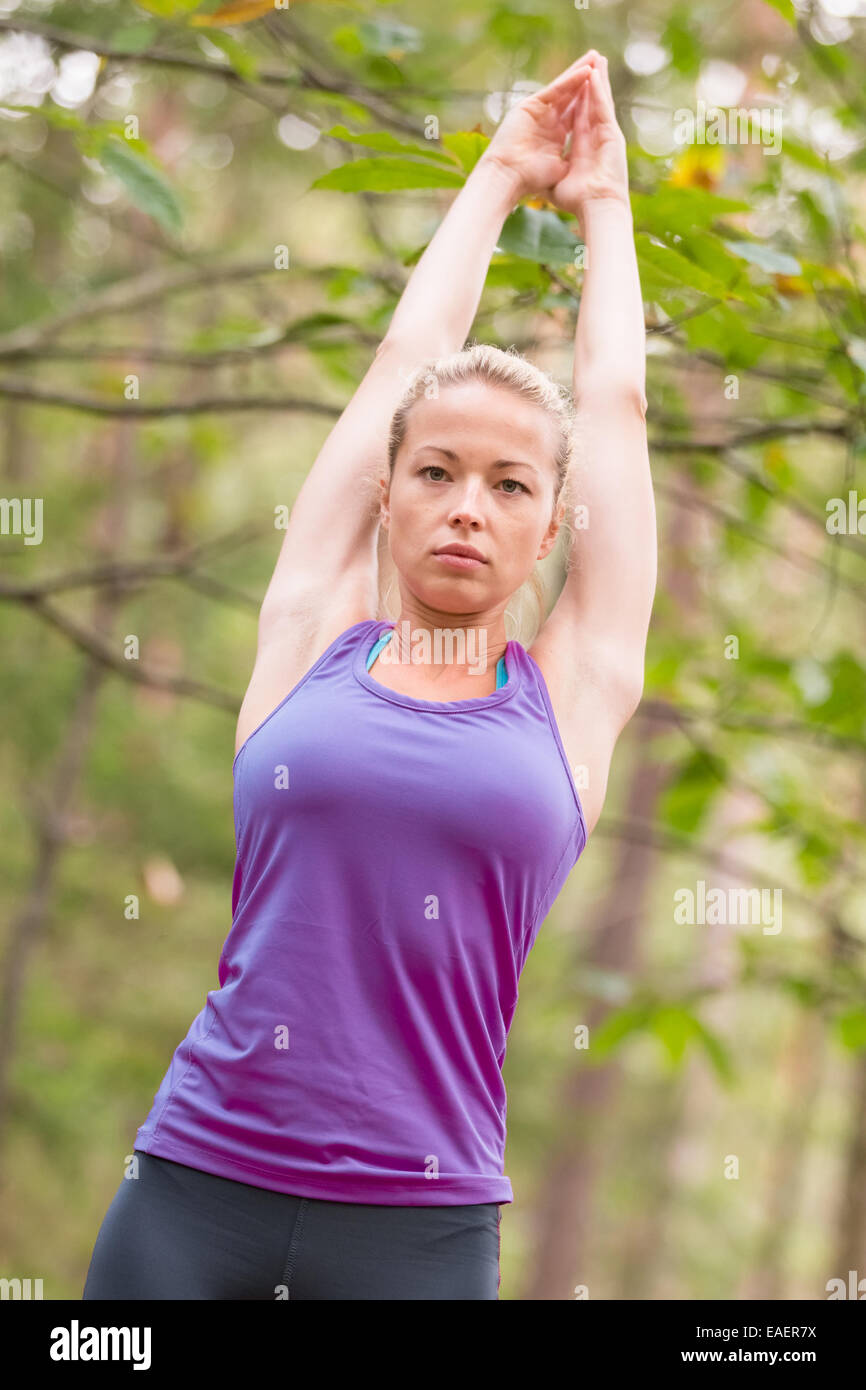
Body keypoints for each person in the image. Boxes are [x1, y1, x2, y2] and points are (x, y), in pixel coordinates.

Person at [83, 48, 655, 1301]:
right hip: (189, 1188)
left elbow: (612, 407)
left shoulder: (570, 695)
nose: (467, 506)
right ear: (384, 495)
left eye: (510, 486)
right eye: (435, 471)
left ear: (549, 525)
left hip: (420, 1228)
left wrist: (604, 201)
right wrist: (499, 171)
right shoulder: (308, 643)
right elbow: (405, 360)